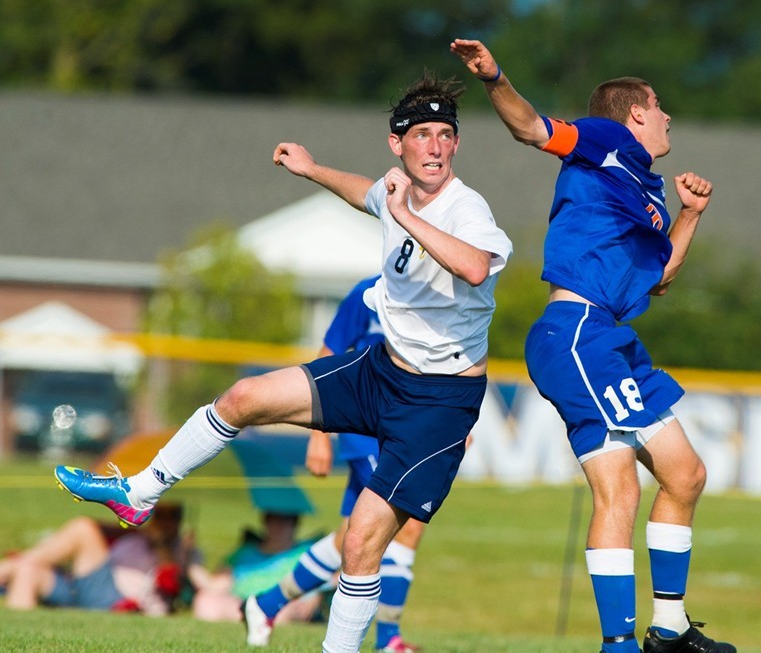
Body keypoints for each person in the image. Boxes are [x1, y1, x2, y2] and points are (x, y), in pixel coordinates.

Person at [54, 71, 512, 653]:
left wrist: (406, 217)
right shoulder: (395, 189)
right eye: (422, 134)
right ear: (397, 143)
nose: (436, 145)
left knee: (362, 542)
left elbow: (474, 266)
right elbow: (364, 192)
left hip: (440, 403)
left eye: (445, 134)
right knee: (243, 398)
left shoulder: (466, 208)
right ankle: (140, 494)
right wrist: (313, 169)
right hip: (380, 372)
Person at [451, 38, 734, 653]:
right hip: (576, 334)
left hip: (608, 337)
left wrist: (689, 215)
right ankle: (619, 644)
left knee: (685, 476)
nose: (667, 117)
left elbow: (658, 280)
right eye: (659, 106)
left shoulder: (647, 188)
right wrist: (495, 76)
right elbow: (531, 128)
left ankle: (670, 629)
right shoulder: (608, 143)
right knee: (621, 491)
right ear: (634, 112)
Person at [244, 274, 425, 652]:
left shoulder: (434, 295)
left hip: (407, 427)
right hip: (364, 428)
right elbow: (328, 360)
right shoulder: (368, 292)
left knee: (352, 536)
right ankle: (389, 640)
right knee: (403, 522)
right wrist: (318, 436)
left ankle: (266, 603)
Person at [0, 501, 202, 615]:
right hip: (84, 585)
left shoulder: (183, 550)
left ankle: (7, 567)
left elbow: (171, 584)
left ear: (179, 521)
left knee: (83, 529)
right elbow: (103, 528)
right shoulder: (136, 537)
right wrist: (141, 531)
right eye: (159, 515)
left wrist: (162, 546)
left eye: (172, 517)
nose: (165, 523)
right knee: (28, 571)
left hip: (118, 600)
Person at [192, 511, 323, 626]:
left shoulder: (306, 551)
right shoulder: (244, 553)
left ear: (294, 524)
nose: (278, 526)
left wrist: (316, 595)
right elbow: (215, 584)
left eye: (284, 521)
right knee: (205, 601)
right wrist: (192, 561)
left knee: (281, 612)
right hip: (241, 604)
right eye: (273, 520)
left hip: (283, 604)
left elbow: (330, 575)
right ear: (266, 521)